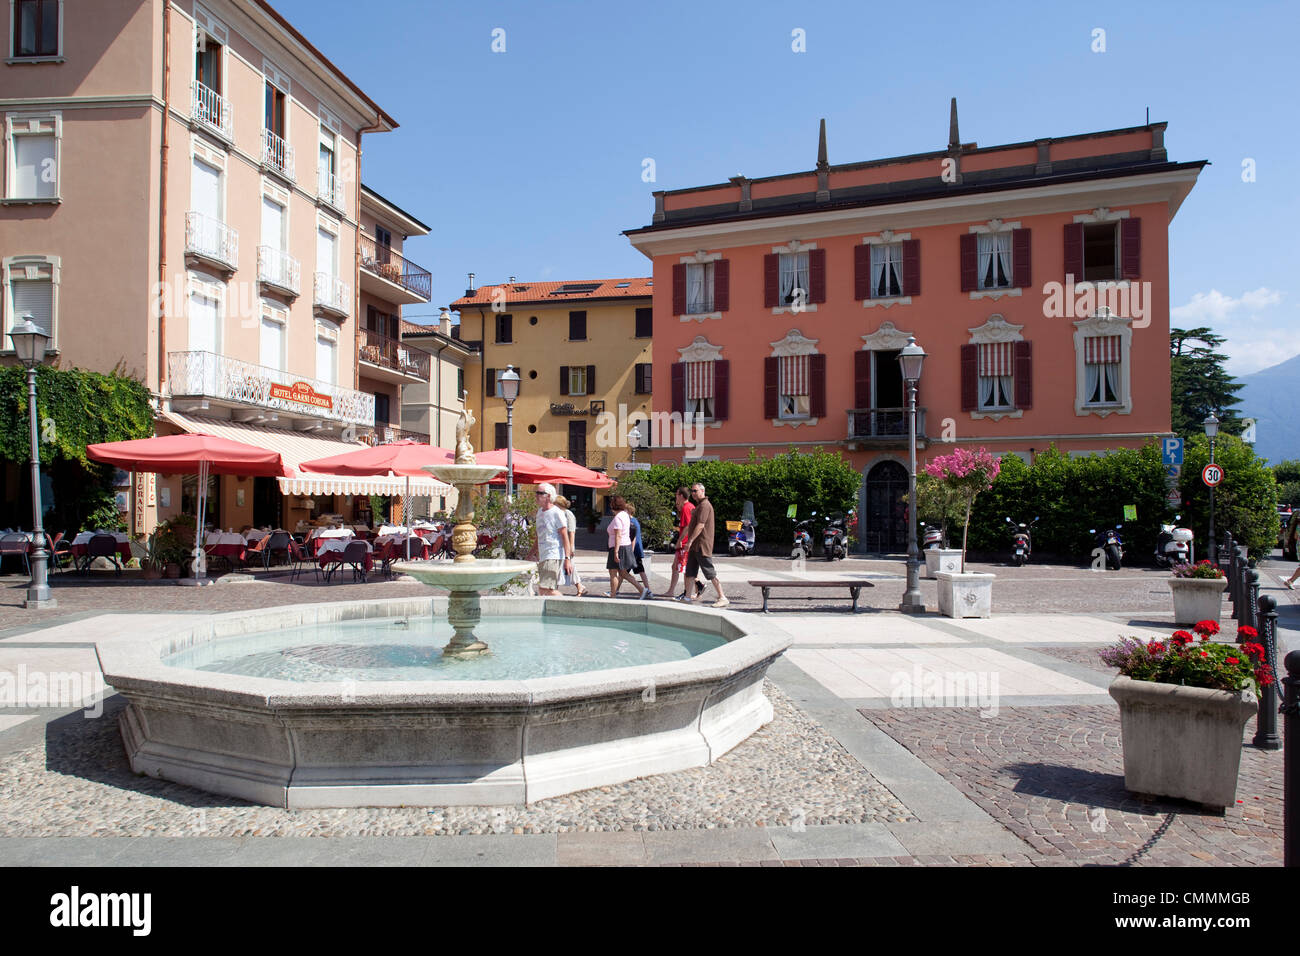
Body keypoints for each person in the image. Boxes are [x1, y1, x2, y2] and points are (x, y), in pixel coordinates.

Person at [684, 482, 727, 608]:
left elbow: (701, 525)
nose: (693, 493)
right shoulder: (699, 505)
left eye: (695, 491)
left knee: (709, 572)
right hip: (695, 546)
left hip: (702, 545)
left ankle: (722, 597)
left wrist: (690, 540)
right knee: (690, 572)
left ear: (702, 491)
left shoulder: (705, 506)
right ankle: (687, 597)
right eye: (692, 491)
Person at [605, 495, 648, 599]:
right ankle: (642, 590)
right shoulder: (625, 515)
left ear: (613, 505)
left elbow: (618, 535)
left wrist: (615, 552)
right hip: (625, 546)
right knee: (623, 573)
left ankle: (613, 595)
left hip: (618, 547)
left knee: (613, 572)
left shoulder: (618, 517)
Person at [533, 483, 571, 596]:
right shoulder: (540, 512)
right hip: (543, 555)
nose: (536, 496)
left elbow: (565, 536)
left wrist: (567, 559)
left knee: (546, 589)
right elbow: (539, 535)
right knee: (543, 590)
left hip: (553, 554)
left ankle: (569, 606)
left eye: (540, 493)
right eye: (536, 493)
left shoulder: (557, 513)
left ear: (549, 496)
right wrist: (531, 553)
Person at [661, 486, 696, 598]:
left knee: (684, 569)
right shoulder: (690, 506)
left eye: (677, 494)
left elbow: (687, 526)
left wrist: (679, 540)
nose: (675, 496)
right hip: (687, 542)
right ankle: (673, 590)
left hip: (684, 543)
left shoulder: (687, 507)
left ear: (681, 495)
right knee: (676, 566)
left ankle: (687, 592)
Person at [553, 494, 588, 596]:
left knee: (567, 566)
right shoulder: (558, 513)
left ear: (558, 504)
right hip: (561, 544)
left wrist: (571, 547)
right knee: (568, 567)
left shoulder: (568, 514)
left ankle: (555, 588)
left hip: (567, 545)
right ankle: (579, 585)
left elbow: (572, 532)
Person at [617, 502, 653, 596]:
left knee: (623, 572)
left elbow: (633, 538)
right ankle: (648, 590)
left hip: (633, 550)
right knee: (638, 571)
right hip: (637, 550)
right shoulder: (635, 521)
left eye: (625, 510)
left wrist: (630, 551)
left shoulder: (631, 522)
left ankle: (615, 590)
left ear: (628, 511)